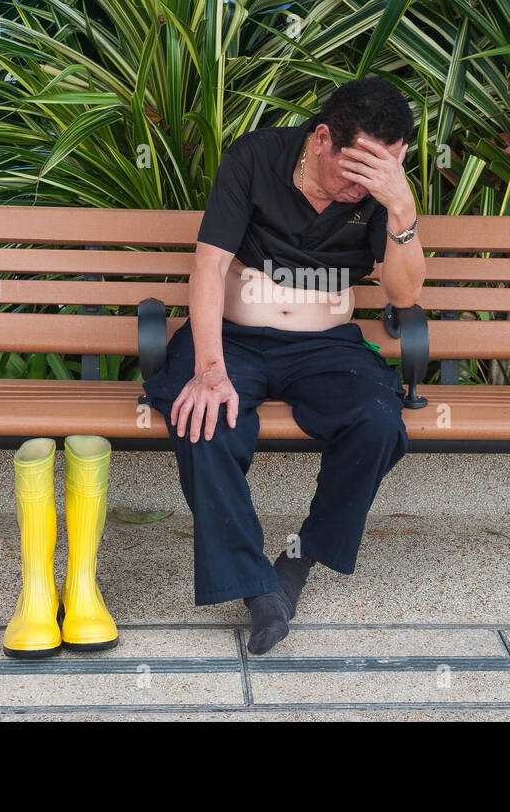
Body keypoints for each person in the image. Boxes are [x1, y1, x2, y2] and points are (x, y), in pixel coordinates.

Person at [142, 77, 425, 655]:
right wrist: (210, 367)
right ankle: (257, 589)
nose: (364, 187)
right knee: (203, 420)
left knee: (377, 422)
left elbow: (402, 295)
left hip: (326, 347)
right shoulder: (255, 157)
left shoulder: (384, 194)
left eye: (387, 170)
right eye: (357, 171)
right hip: (235, 338)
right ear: (322, 138)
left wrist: (401, 207)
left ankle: (297, 562)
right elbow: (207, 267)